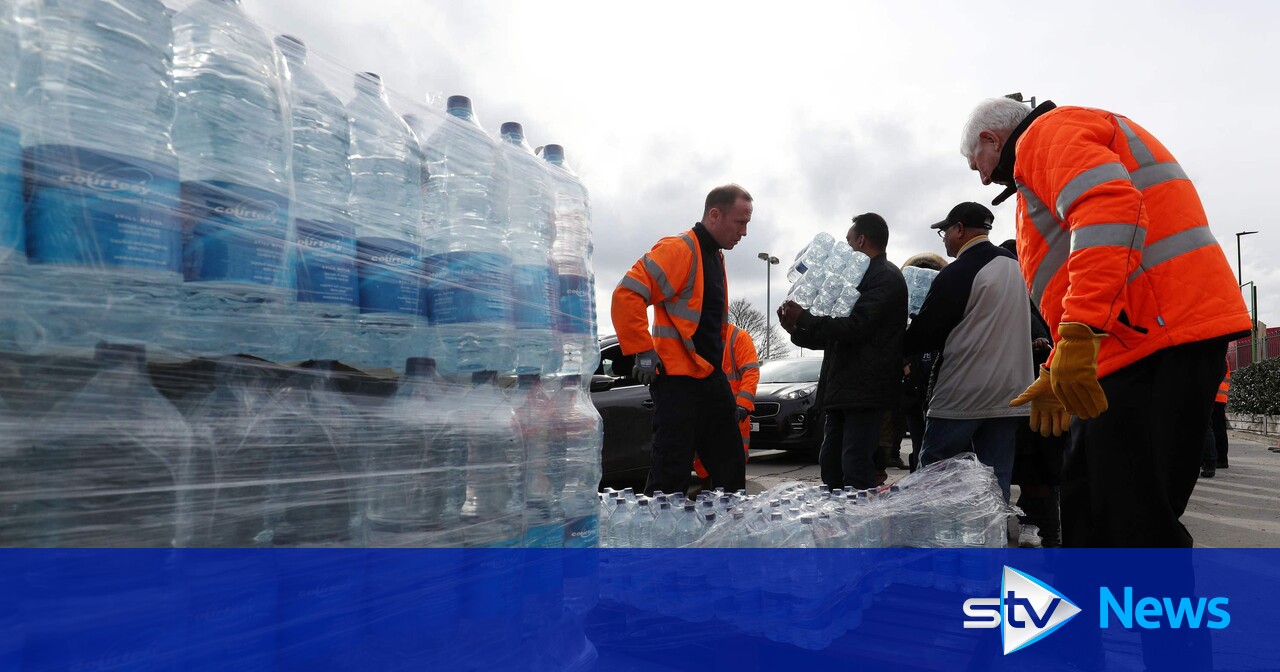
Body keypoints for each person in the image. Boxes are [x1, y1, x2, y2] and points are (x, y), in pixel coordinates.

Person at [961, 97, 1252, 547]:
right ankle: (1113, 612)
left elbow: (1109, 209)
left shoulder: (1045, 135)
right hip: (1140, 338)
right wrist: (1060, 361)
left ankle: (1133, 617)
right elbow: (1082, 266)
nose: (978, 174)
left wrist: (1080, 333)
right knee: (1102, 509)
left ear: (990, 138)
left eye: (973, 160)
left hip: (1148, 341)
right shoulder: (1054, 146)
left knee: (1124, 521)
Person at [611, 184, 752, 496]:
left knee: (730, 468)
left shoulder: (715, 257)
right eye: (740, 222)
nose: (743, 232)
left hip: (708, 377)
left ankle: (732, 535)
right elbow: (627, 293)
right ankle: (657, 539)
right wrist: (643, 350)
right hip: (678, 381)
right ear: (715, 214)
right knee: (670, 472)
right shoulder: (680, 249)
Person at [901, 202, 1033, 502]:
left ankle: (930, 539)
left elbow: (926, 334)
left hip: (965, 391)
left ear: (959, 230)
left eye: (944, 231)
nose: (944, 238)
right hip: (1012, 391)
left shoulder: (960, 270)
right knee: (994, 479)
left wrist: (899, 340)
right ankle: (990, 540)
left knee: (933, 471)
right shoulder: (1015, 266)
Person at [777, 213, 907, 490]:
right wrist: (795, 329)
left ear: (861, 240)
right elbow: (833, 338)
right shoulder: (856, 277)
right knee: (832, 464)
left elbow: (856, 328)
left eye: (848, 241)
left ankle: (859, 526)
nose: (843, 249)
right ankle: (835, 523)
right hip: (841, 389)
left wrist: (805, 319)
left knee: (855, 465)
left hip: (865, 390)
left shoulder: (885, 278)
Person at [899, 253, 947, 471]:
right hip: (913, 391)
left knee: (935, 446)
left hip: (937, 390)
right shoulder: (906, 318)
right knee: (919, 444)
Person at [694, 323, 759, 481]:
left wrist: (743, 404)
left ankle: (729, 494)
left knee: (731, 461)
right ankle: (708, 487)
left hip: (733, 410)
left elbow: (751, 371)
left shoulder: (738, 337)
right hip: (707, 407)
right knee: (705, 455)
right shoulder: (696, 334)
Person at [1200, 358, 1232, 478]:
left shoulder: (1220, 357)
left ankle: (1221, 459)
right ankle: (1219, 458)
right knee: (1217, 429)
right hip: (1217, 396)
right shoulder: (1222, 356)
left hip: (1217, 396)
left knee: (1216, 429)